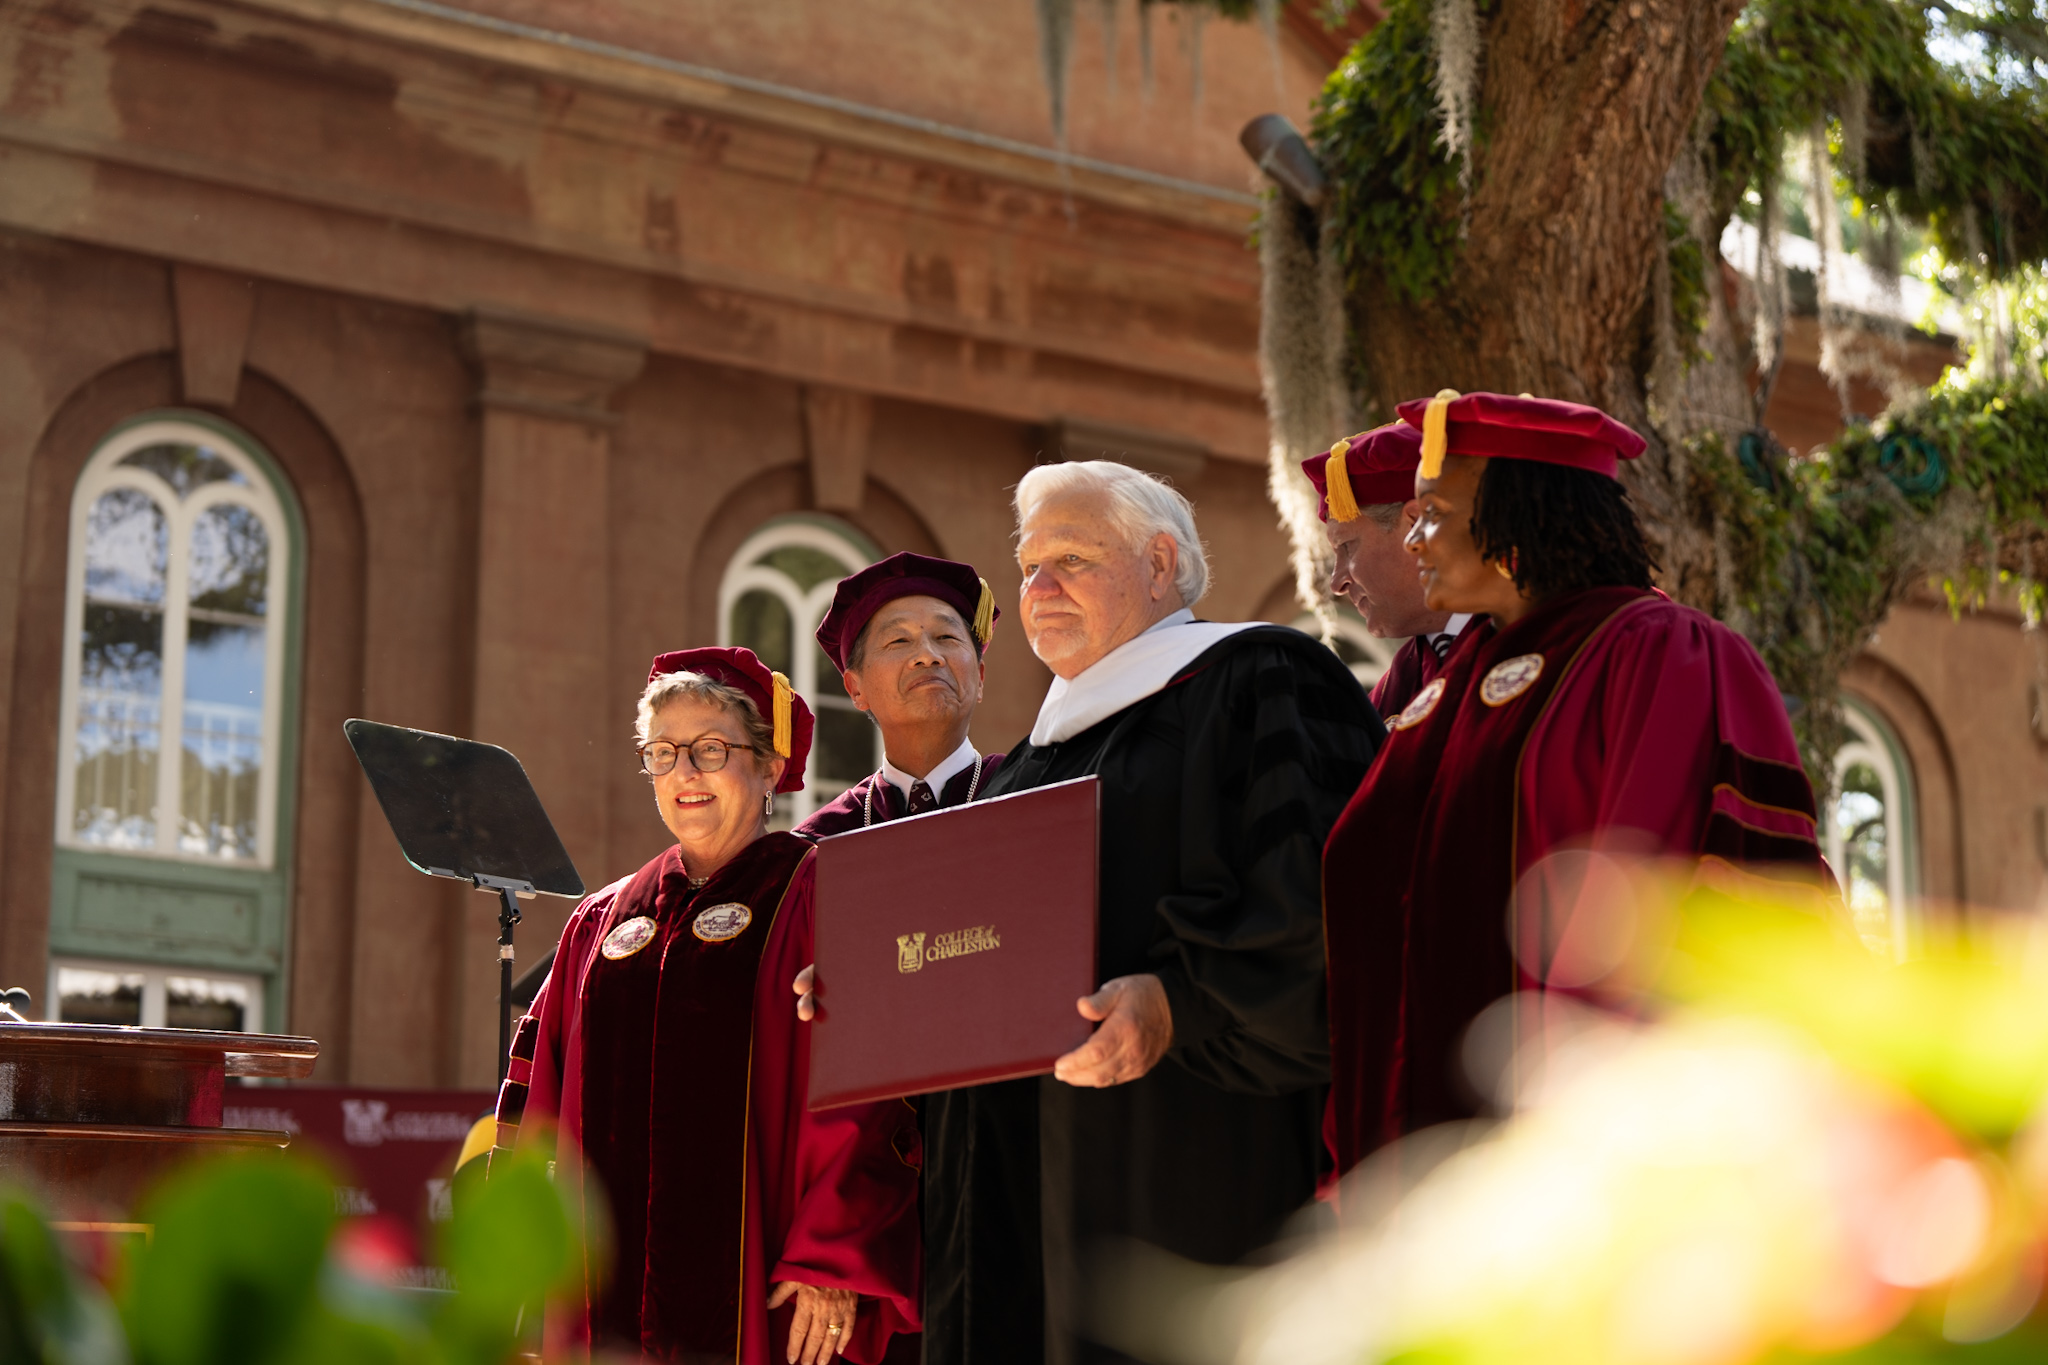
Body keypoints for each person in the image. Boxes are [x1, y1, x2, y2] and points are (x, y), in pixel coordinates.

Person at [910, 461, 1384, 1365]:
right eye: (1029, 565)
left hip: (1180, 1171)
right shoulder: (1018, 769)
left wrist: (1181, 1001)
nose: (1037, 590)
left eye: (1072, 561)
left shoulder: (1264, 683)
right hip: (1009, 1198)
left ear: (1161, 563)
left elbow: (1333, 905)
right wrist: (877, 986)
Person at [1321, 391, 1831, 1181]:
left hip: (1590, 1154)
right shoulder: (1435, 696)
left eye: (1432, 515)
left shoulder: (1661, 652)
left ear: (1515, 520)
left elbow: (1664, 891)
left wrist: (1588, 1128)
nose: (1414, 542)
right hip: (1418, 1162)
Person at [492, 647, 920, 1364]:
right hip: (600, 1301)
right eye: (663, 752)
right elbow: (537, 1102)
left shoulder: (822, 894)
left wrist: (832, 1256)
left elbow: (872, 1096)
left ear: (768, 767)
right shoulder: (599, 923)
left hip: (769, 1288)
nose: (684, 771)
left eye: (710, 748)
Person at [799, 552, 1004, 837]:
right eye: (899, 640)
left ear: (980, 677)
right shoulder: (822, 842)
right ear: (856, 689)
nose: (928, 656)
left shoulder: (1034, 790)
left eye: (946, 637)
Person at [1300, 422, 1470, 718]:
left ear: (1418, 524)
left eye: (1347, 546)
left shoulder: (1536, 640)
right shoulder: (1388, 693)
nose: (1336, 583)